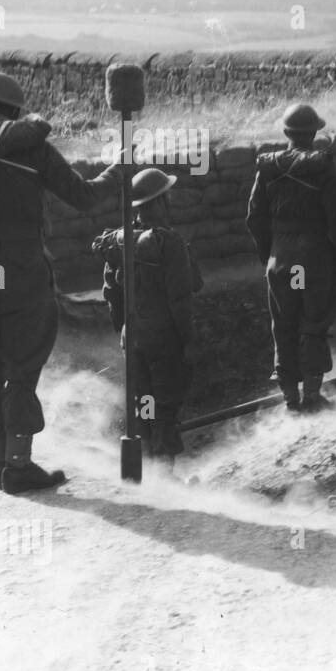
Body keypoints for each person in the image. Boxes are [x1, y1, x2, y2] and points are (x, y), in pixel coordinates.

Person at [0, 71, 120, 492]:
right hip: (22, 271)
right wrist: (120, 169)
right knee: (22, 366)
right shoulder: (33, 149)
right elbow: (84, 196)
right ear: (14, 111)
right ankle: (20, 464)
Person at [246, 103, 336, 411]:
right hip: (314, 258)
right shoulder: (323, 165)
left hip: (280, 258)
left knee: (284, 325)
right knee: (314, 322)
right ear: (315, 132)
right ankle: (312, 395)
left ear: (286, 132)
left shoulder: (266, 166)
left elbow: (254, 217)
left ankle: (290, 397)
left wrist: (270, 254)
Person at [92, 168, 203, 457]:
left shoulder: (117, 242)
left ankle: (148, 466)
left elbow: (111, 293)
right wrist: (189, 340)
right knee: (167, 403)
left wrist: (126, 330)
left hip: (134, 337)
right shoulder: (171, 243)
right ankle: (165, 471)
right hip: (165, 338)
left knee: (145, 402)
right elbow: (181, 297)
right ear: (159, 203)